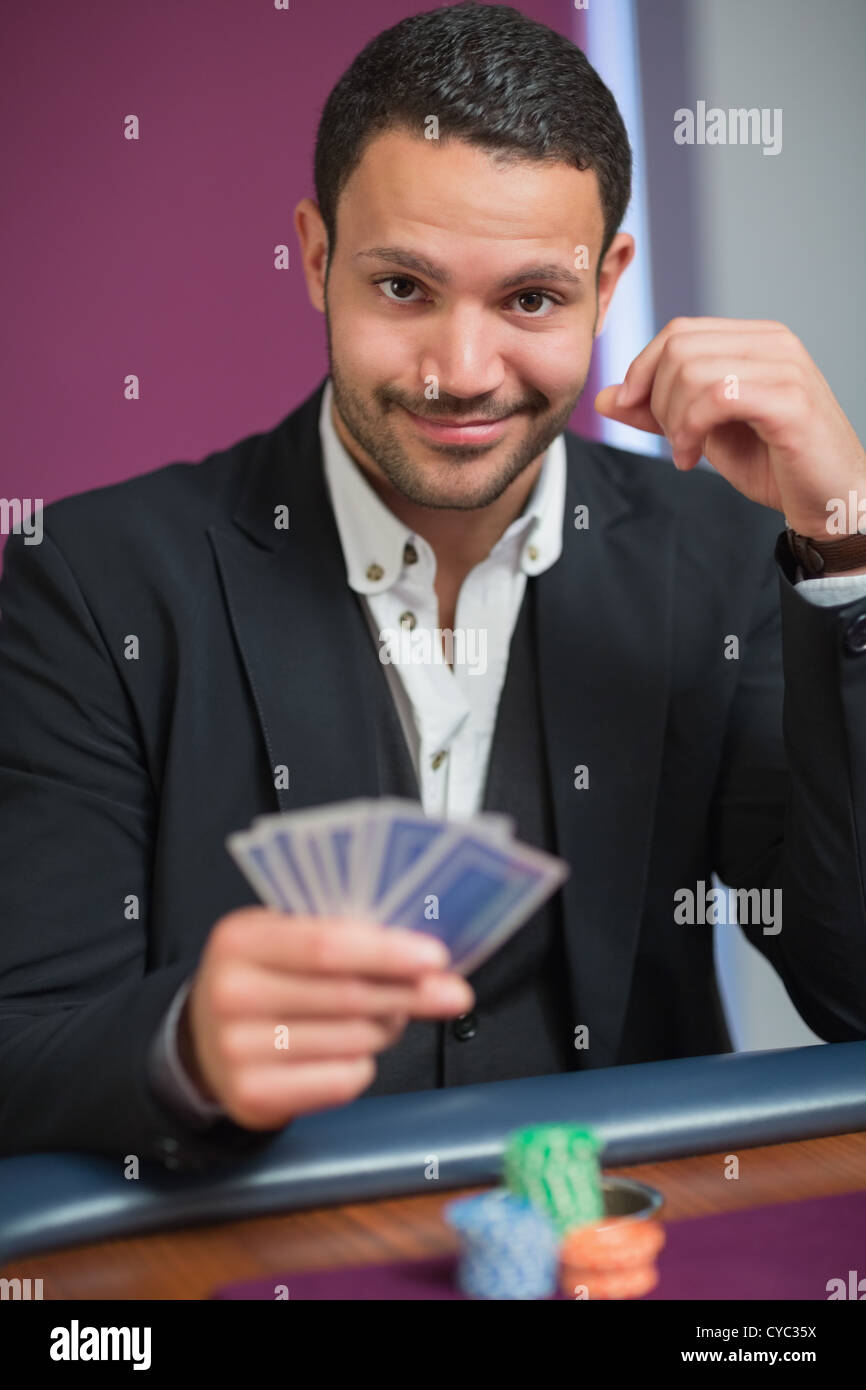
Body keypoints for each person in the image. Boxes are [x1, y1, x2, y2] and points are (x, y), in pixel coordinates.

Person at [2, 2, 865, 1174]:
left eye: (529, 299)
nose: (462, 375)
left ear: (609, 283)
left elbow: (852, 990)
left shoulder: (716, 556)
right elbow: (21, 1049)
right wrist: (182, 1046)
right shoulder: (92, 583)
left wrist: (845, 545)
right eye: (402, 287)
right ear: (314, 258)